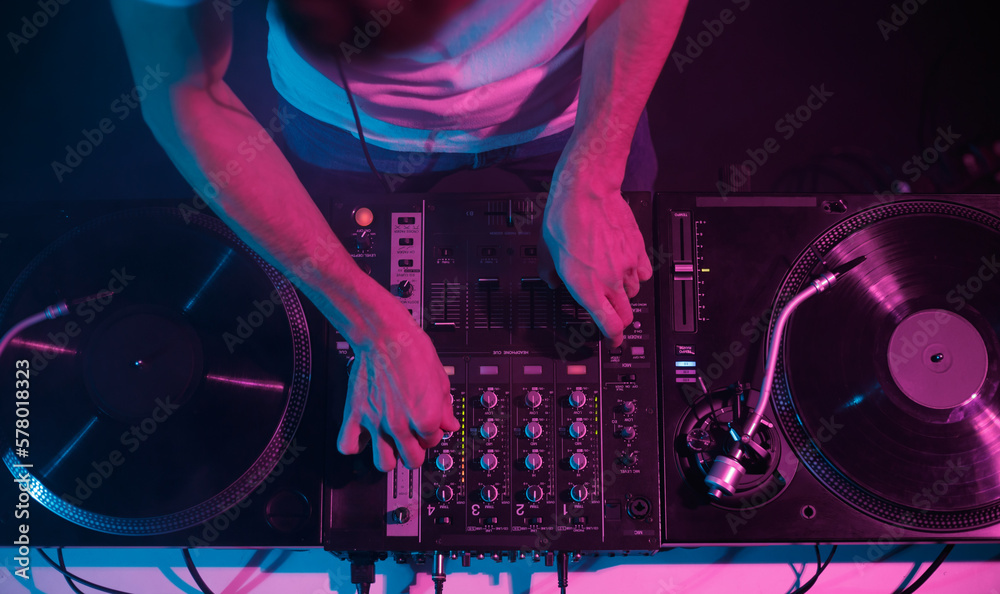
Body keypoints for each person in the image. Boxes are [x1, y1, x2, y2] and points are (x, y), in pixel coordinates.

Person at [111, 0, 688, 472]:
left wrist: (593, 171)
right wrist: (372, 326)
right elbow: (184, 93)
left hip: (578, 98)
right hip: (341, 125)